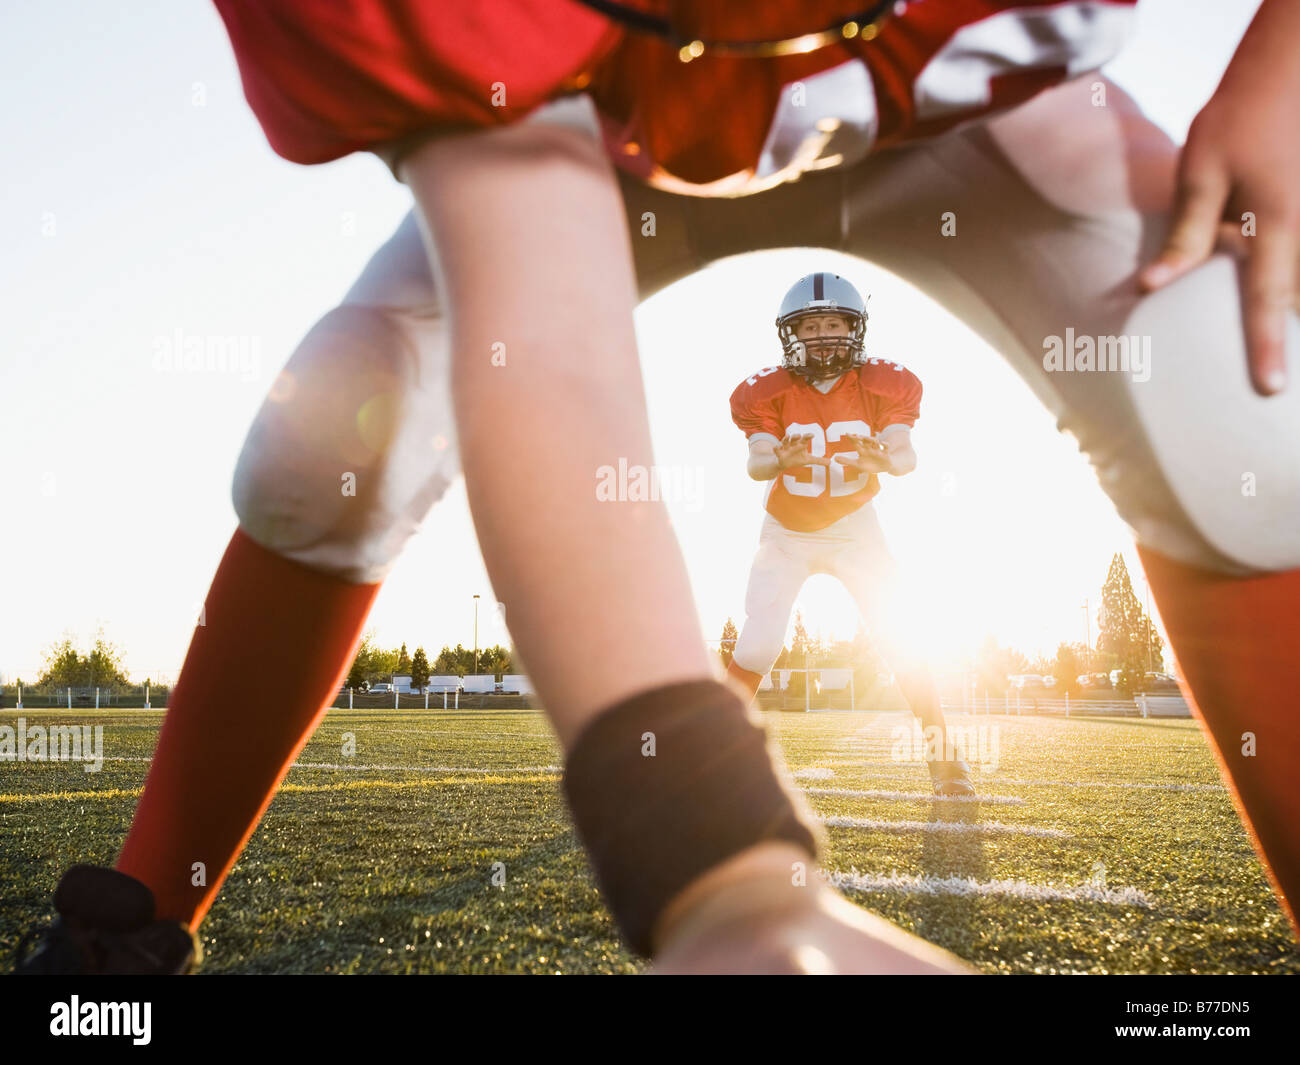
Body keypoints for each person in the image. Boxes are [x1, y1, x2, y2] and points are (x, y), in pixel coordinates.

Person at [16, 0, 1300, 973]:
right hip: (586, 131)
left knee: (1233, 395)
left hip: (954, 104)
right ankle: (126, 934)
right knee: (329, 447)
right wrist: (722, 877)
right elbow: (550, 352)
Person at [726, 272, 973, 796]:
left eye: (833, 323)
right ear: (791, 334)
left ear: (854, 328)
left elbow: (905, 453)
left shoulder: (885, 384)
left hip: (857, 526)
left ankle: (943, 757)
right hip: (787, 531)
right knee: (759, 641)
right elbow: (756, 462)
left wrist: (891, 459)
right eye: (810, 325)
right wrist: (776, 459)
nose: (821, 335)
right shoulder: (764, 391)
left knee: (900, 637)